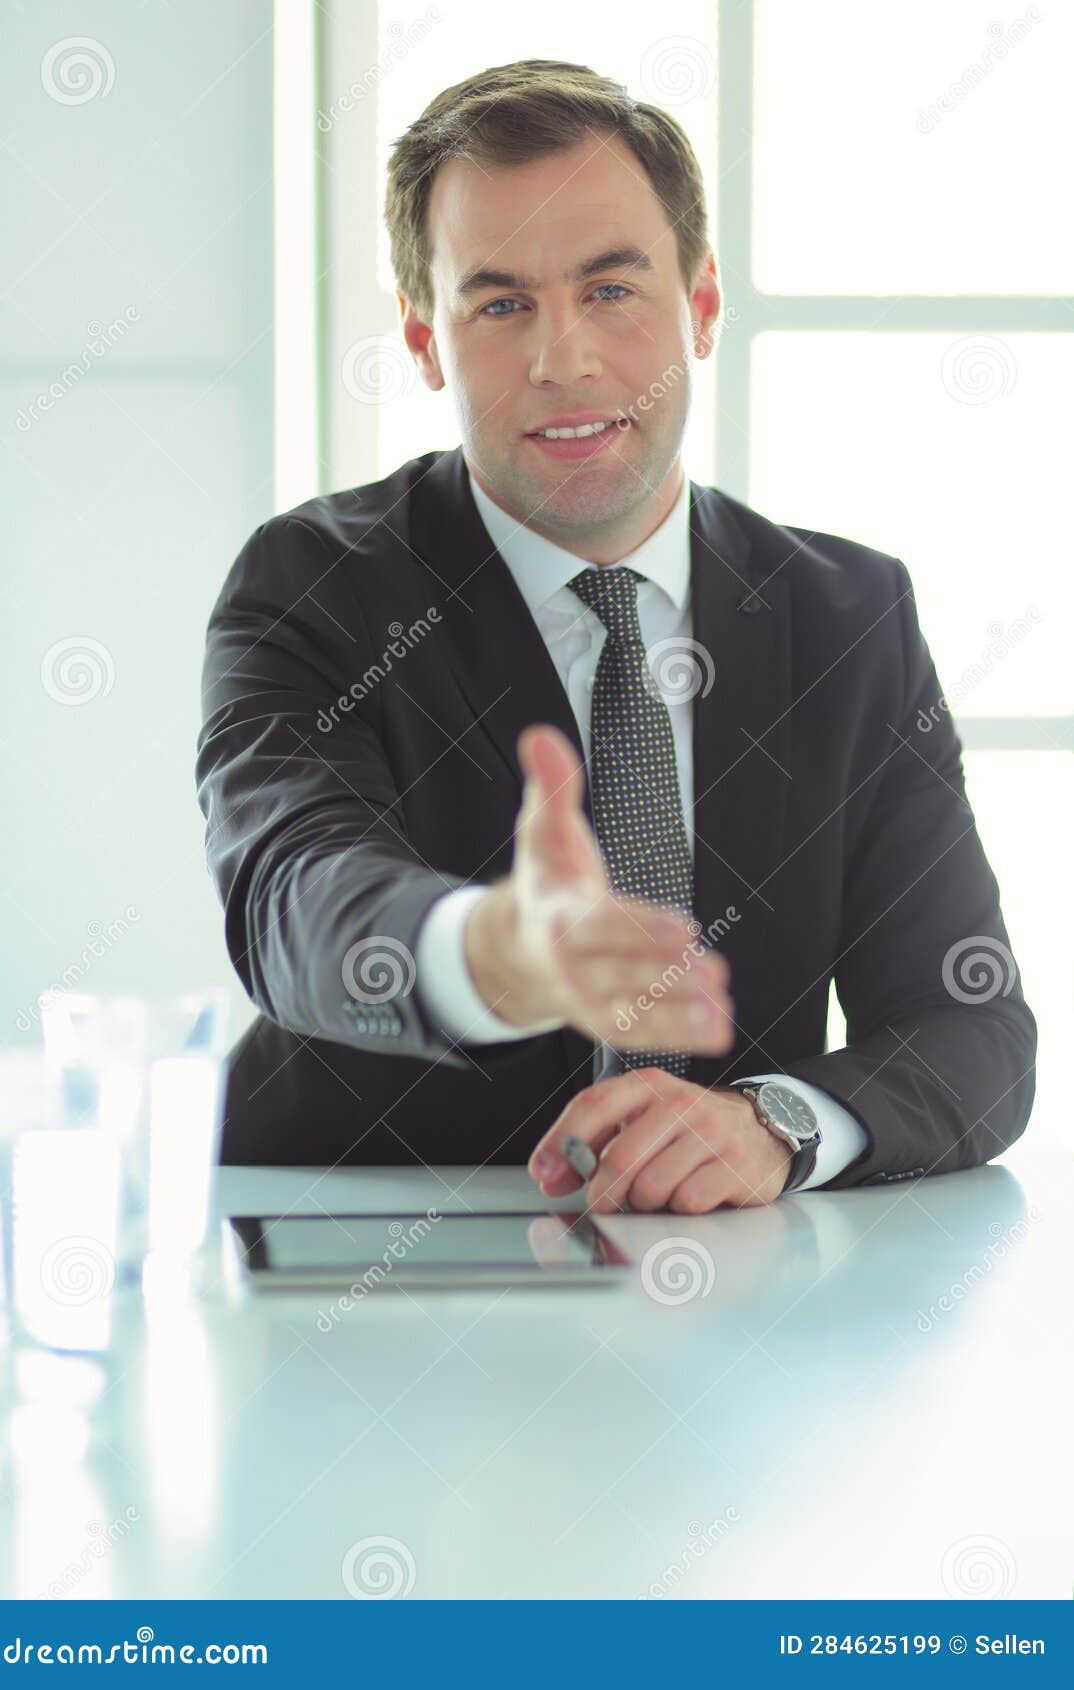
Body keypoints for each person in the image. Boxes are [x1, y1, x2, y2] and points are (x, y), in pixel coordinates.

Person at [195, 60, 1035, 1214]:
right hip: (366, 1238)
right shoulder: (313, 585)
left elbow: (970, 1028)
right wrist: (489, 951)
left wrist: (775, 1122)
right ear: (425, 340)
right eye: (501, 305)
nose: (564, 362)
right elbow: (286, 893)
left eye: (610, 290)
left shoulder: (848, 614)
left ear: (701, 305)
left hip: (735, 1267)